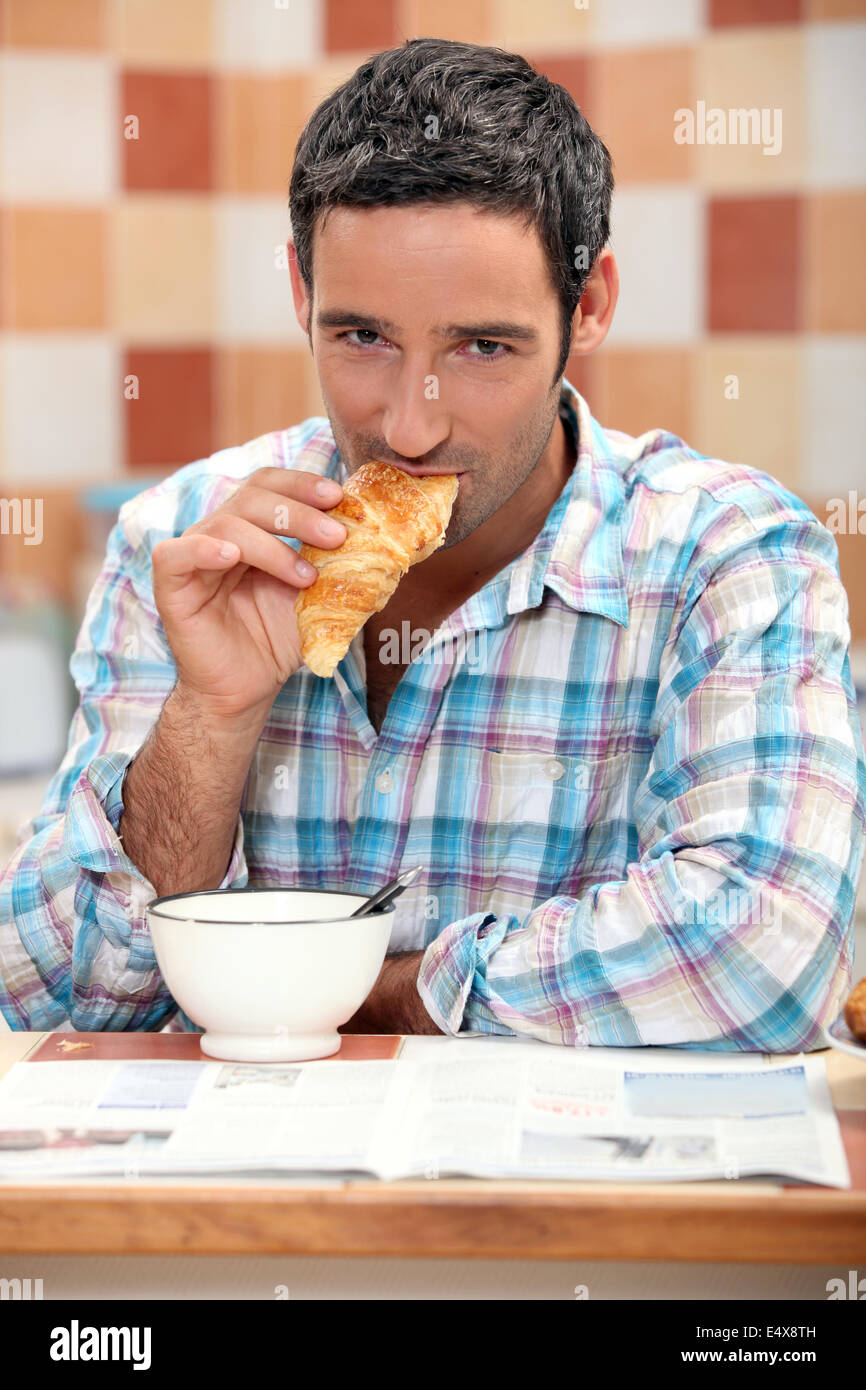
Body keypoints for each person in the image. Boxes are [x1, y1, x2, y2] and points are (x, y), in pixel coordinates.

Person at [1, 38, 863, 1050]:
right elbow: (55, 998)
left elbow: (763, 958)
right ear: (299, 294)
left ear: (585, 309)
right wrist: (210, 713)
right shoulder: (182, 540)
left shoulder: (727, 556)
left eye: (480, 347)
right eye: (361, 337)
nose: (410, 429)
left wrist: (352, 993)